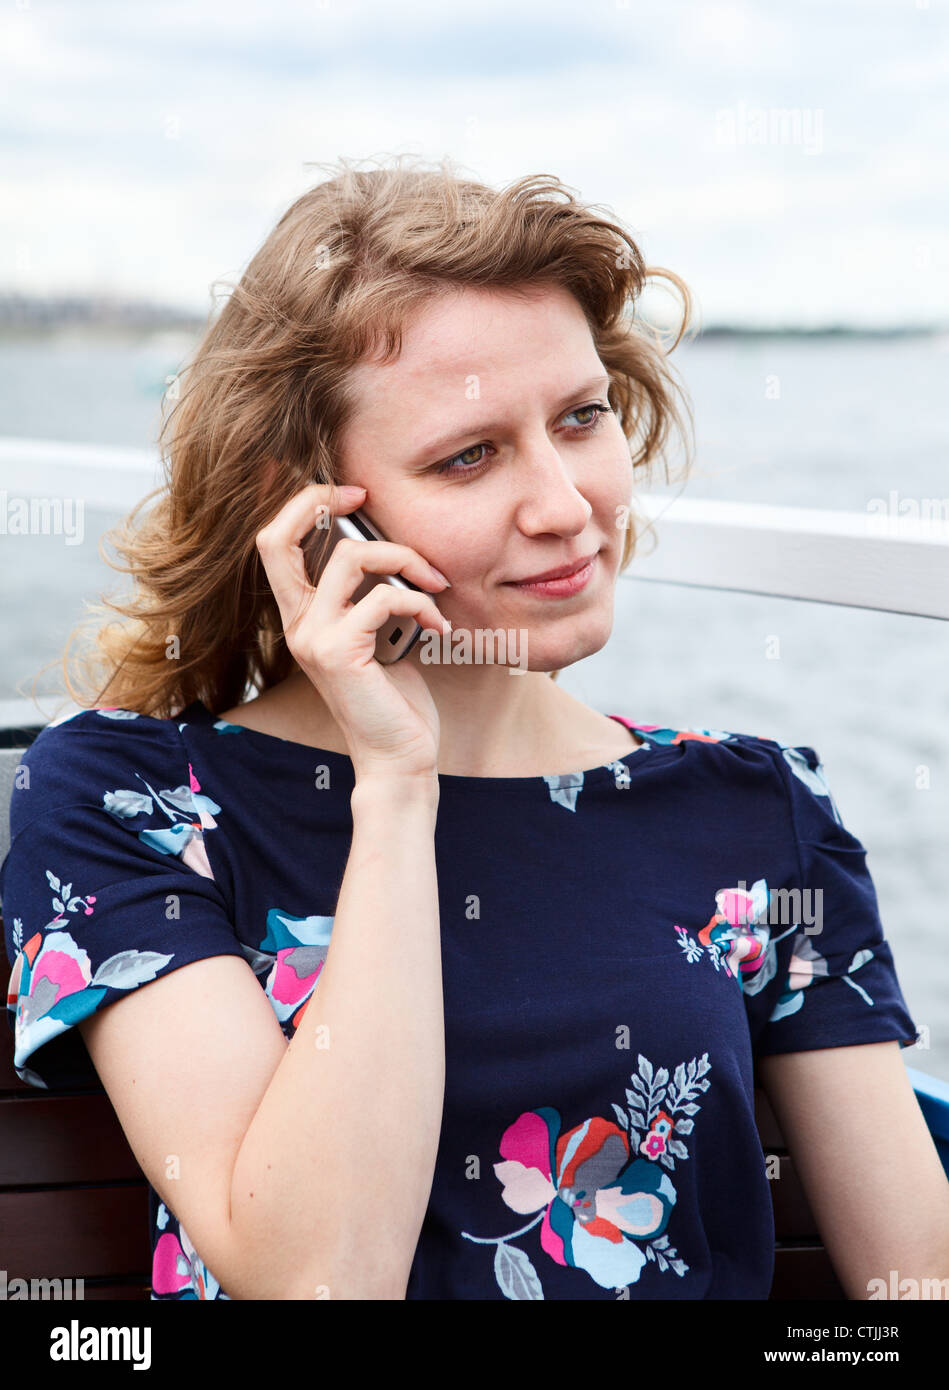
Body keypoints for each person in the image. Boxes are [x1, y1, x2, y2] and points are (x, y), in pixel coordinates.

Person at [1, 156, 945, 1302]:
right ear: (308, 511)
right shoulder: (136, 803)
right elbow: (315, 1278)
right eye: (468, 455)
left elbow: (913, 1280)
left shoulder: (756, 813)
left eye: (582, 418)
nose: (565, 506)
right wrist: (397, 787)